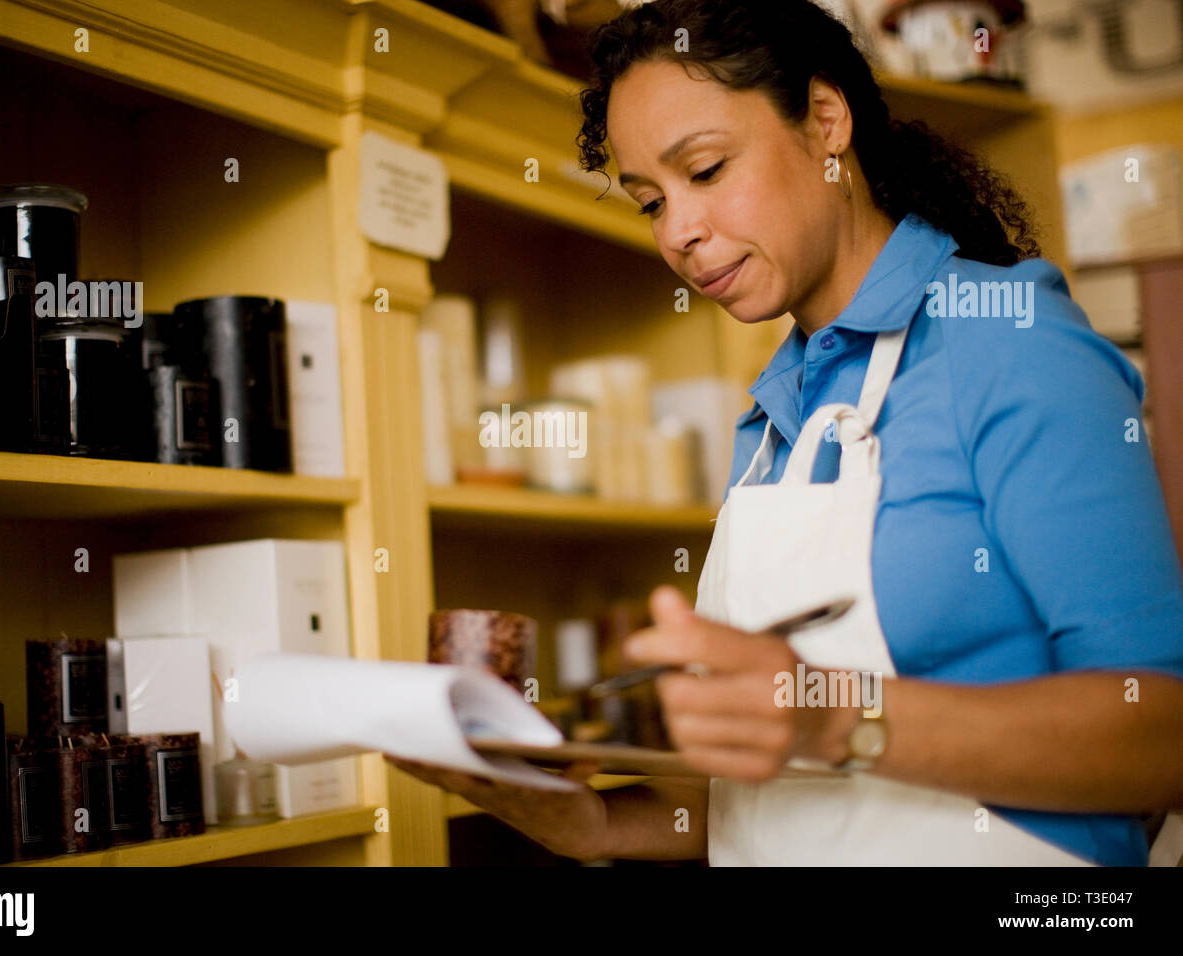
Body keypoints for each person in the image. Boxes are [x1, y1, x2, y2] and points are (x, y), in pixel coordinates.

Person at [391, 0, 1183, 865]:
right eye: (650, 201)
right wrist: (588, 818)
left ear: (827, 124)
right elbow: (767, 805)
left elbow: (1161, 734)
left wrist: (834, 714)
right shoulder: (773, 416)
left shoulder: (1009, 341)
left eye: (707, 168)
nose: (679, 233)